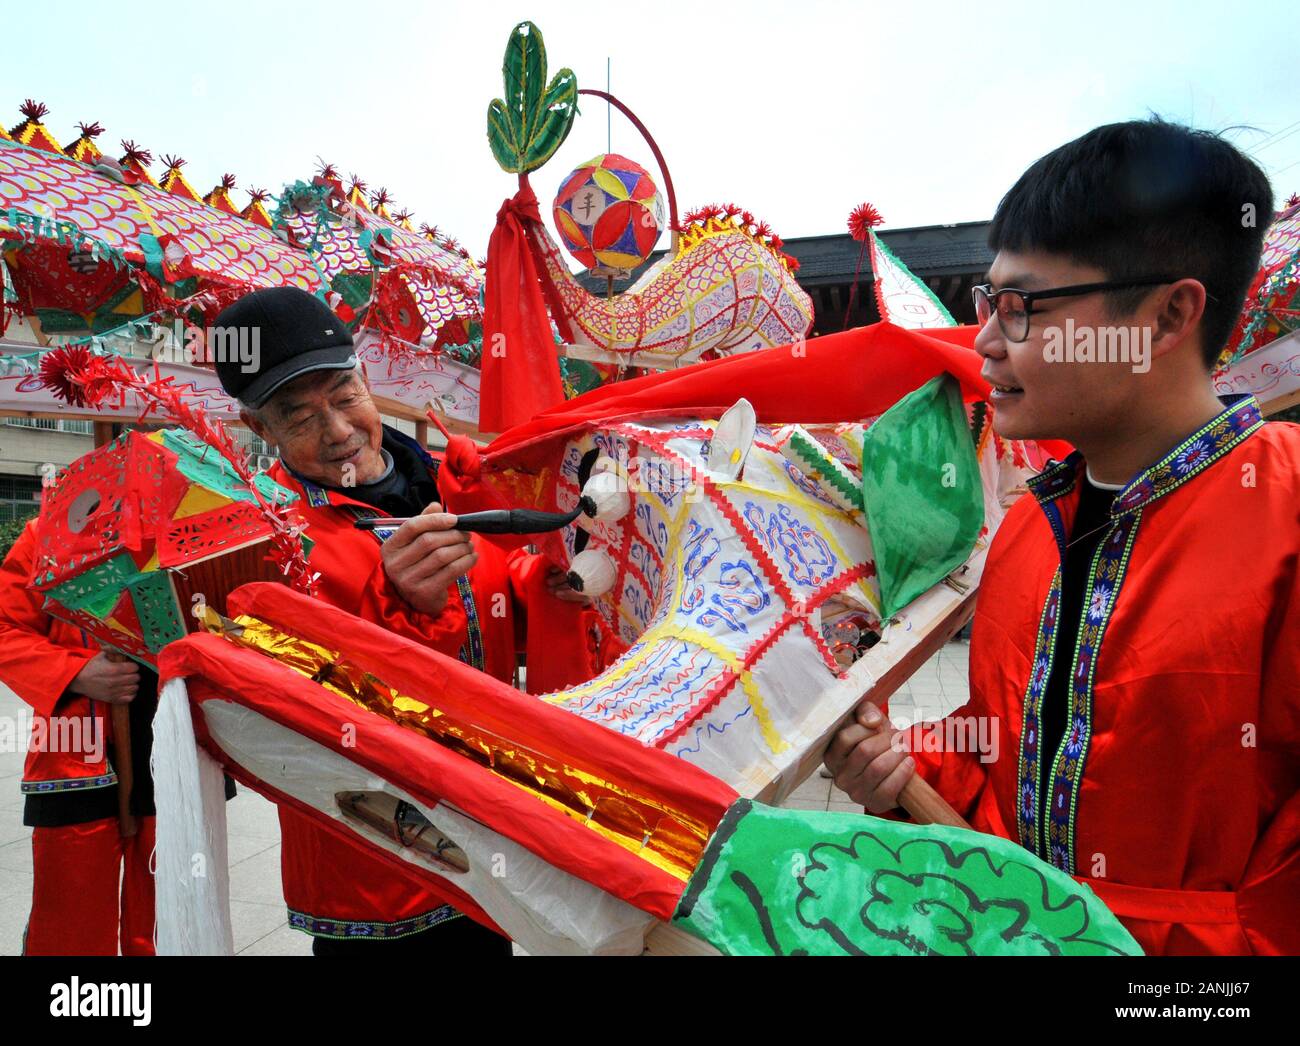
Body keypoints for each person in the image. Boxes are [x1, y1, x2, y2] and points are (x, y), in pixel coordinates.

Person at [824, 119, 1299, 955]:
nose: (984, 341)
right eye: (989, 303)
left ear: (1166, 316)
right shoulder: (1027, 531)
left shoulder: (1286, 513)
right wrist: (905, 768)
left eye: (1022, 308)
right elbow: (999, 763)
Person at [211, 286, 588, 955]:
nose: (338, 430)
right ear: (258, 428)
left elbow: (510, 588)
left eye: (345, 394)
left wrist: (552, 585)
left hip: (492, 828)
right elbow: (281, 712)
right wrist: (400, 610)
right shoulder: (260, 540)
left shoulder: (456, 480)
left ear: (366, 377)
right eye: (299, 417)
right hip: (374, 859)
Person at [0, 540, 159, 956]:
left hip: (177, 748)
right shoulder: (48, 536)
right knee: (71, 923)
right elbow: (4, 627)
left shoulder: (199, 520)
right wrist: (75, 672)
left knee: (172, 917)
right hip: (73, 750)